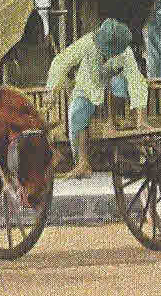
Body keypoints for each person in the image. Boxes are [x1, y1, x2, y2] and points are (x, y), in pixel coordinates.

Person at [46, 18, 149, 179]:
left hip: (111, 91)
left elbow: (137, 81)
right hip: (87, 87)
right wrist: (51, 89)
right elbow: (62, 61)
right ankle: (82, 163)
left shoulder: (125, 53)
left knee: (119, 83)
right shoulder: (88, 42)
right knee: (77, 112)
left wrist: (141, 119)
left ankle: (112, 122)